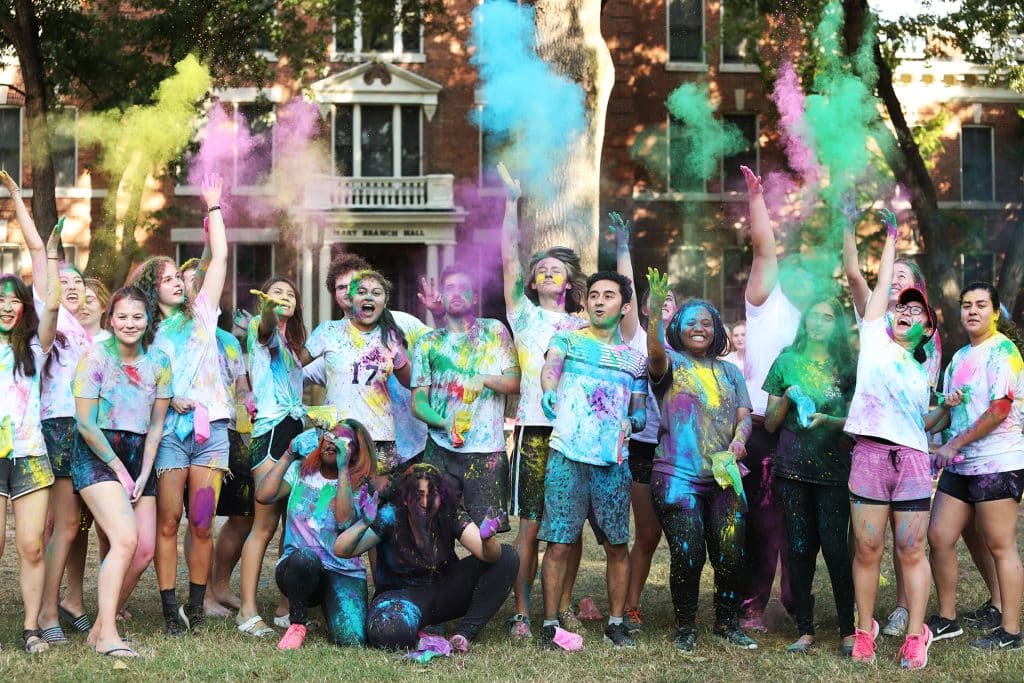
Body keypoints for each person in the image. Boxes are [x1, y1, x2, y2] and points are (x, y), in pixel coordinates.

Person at [844, 211, 954, 670]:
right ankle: (864, 632)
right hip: (868, 455)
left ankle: (916, 634)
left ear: (927, 328)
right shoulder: (874, 336)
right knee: (867, 549)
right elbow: (873, 280)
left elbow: (925, 421)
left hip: (909, 462)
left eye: (916, 310)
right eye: (900, 307)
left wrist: (948, 408)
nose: (905, 311)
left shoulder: (922, 366)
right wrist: (890, 238)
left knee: (912, 549)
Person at [126, 173, 229, 635]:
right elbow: (138, 389)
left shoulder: (204, 311)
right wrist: (170, 401)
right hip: (167, 436)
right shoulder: (142, 334)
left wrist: (213, 206)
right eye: (166, 278)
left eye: (177, 277)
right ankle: (170, 611)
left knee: (202, 522)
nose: (176, 282)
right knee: (168, 522)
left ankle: (198, 606)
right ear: (152, 287)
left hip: (211, 435)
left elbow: (220, 254)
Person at [0, 170, 98, 646]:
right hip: (22, 446)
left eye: (13, 300)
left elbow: (41, 260)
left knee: (52, 536)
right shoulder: (32, 336)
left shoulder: (62, 342)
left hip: (57, 443)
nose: (5, 306)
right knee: (20, 539)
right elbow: (39, 260)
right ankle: (36, 617)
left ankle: (47, 615)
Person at [497, 164, 588, 638]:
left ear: (569, 283)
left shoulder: (585, 327)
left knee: (568, 530)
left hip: (577, 437)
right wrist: (512, 203)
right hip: (534, 433)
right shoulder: (526, 317)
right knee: (530, 528)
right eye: (541, 271)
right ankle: (521, 611)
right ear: (532, 284)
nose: (548, 272)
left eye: (557, 269)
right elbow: (509, 259)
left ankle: (564, 604)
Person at [645, 268, 756, 652]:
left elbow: (744, 417)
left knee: (730, 553)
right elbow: (654, 354)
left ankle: (727, 623)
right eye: (689, 321)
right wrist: (652, 317)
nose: (698, 327)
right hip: (676, 476)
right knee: (689, 551)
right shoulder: (670, 363)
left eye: (706, 322)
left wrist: (739, 445)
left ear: (717, 330)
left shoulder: (729, 371)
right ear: (677, 327)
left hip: (725, 476)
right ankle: (686, 625)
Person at [537, 271, 647, 650]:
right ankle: (550, 624)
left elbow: (642, 413)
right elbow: (551, 366)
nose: (599, 301)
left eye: (609, 296)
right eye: (594, 295)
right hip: (567, 456)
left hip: (612, 463)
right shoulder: (567, 339)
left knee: (617, 545)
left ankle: (616, 623)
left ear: (625, 307)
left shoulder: (635, 362)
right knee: (558, 543)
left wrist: (630, 423)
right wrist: (549, 390)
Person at [71, 286, 171, 657]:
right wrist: (119, 469)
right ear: (111, 320)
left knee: (143, 549)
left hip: (138, 455)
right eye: (123, 316)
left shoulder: (159, 362)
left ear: (147, 321)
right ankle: (109, 635)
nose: (130, 323)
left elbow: (157, 425)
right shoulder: (94, 358)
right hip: (97, 454)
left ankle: (98, 627)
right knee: (125, 540)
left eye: (138, 316)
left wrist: (143, 472)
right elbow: (85, 424)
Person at [926, 282, 1024, 650]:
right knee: (939, 537)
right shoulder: (959, 357)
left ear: (995, 312)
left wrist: (952, 444)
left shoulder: (1003, 351)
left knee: (1001, 545)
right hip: (962, 464)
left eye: (981, 305)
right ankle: (948, 618)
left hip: (998, 460)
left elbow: (999, 410)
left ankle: (1010, 631)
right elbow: (946, 414)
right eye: (966, 304)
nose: (972, 311)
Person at [334, 462, 518, 652]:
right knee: (388, 632)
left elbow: (490, 556)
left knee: (508, 557)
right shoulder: (390, 515)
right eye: (418, 495)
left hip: (443, 592)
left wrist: (487, 540)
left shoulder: (450, 512)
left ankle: (464, 634)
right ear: (405, 498)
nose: (425, 503)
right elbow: (341, 550)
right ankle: (421, 632)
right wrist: (365, 522)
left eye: (432, 495)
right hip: (400, 597)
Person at [762, 297, 857, 655]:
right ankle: (806, 630)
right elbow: (770, 423)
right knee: (799, 550)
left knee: (835, 549)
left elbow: (861, 419)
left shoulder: (848, 367)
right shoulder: (786, 362)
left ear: (837, 325)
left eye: (828, 317)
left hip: (834, 471)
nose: (818, 322)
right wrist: (786, 395)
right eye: (813, 316)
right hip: (792, 470)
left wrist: (830, 421)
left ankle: (849, 631)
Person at [737, 165, 799, 632]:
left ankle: (796, 601)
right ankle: (752, 604)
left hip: (805, 434)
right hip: (760, 432)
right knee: (761, 522)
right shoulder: (764, 304)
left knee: (800, 522)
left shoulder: (821, 318)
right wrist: (757, 201)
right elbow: (763, 249)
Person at [411, 263, 519, 527]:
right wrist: (445, 423)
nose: (456, 293)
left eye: (463, 288)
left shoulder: (494, 331)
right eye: (450, 288)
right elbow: (418, 402)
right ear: (443, 297)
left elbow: (517, 383)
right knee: (433, 531)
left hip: (487, 451)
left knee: (486, 534)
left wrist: (484, 379)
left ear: (475, 297)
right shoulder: (428, 342)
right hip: (439, 449)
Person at [255, 420, 378, 649]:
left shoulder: (360, 486)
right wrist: (289, 453)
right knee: (305, 558)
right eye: (330, 438)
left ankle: (331, 607)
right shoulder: (301, 471)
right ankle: (298, 623)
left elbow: (344, 521)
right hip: (300, 566)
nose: (333, 443)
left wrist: (342, 470)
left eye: (342, 441)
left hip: (343, 571)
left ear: (354, 453)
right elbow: (263, 495)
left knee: (351, 640)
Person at [609, 211, 674, 635]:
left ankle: (632, 602)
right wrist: (621, 245)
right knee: (642, 532)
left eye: (672, 301)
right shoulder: (634, 336)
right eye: (658, 299)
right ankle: (627, 605)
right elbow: (627, 287)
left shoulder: (686, 348)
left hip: (675, 449)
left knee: (657, 535)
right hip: (637, 446)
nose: (664, 305)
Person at [0, 218, 61, 653]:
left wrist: (51, 253)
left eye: (14, 300)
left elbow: (53, 305)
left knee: (31, 546)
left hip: (30, 454)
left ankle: (31, 628)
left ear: (24, 308)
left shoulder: (34, 349)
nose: (6, 306)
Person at [236, 277, 307, 638]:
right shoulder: (259, 329)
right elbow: (265, 324)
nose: (284, 298)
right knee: (263, 526)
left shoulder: (294, 343)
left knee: (291, 526)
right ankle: (247, 611)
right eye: (277, 293)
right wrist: (266, 308)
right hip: (270, 433)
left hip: (297, 433)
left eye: (290, 294)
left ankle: (285, 605)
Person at [301, 269, 412, 473]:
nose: (369, 296)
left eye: (376, 293)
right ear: (351, 299)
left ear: (385, 302)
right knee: (336, 499)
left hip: (379, 438)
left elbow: (413, 382)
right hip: (335, 435)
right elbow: (292, 366)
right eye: (362, 291)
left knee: (374, 502)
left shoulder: (391, 338)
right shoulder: (329, 331)